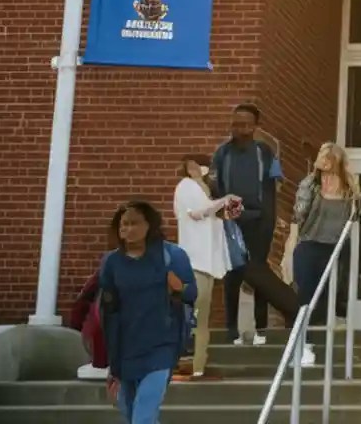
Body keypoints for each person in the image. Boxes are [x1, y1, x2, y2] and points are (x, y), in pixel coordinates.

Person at [99, 201, 198, 424]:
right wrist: (112, 361)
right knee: (131, 413)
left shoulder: (172, 256)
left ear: (149, 225)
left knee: (143, 416)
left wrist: (180, 288)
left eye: (135, 223)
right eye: (124, 224)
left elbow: (192, 293)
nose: (128, 229)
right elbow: (108, 311)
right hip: (126, 349)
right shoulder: (111, 263)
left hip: (161, 346)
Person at [211, 102, 284, 346]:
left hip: (260, 220)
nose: (238, 128)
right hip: (232, 219)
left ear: (254, 127)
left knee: (258, 273)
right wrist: (225, 217)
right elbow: (216, 188)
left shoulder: (264, 153)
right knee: (233, 273)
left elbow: (273, 189)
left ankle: (260, 329)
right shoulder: (223, 153)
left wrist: (269, 220)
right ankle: (231, 330)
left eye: (244, 124)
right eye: (235, 123)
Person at [291, 142, 361, 366]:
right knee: (306, 295)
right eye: (321, 160)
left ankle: (318, 340)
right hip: (309, 244)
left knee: (326, 297)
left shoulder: (350, 189)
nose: (323, 164)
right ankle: (303, 345)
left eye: (328, 160)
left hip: (335, 248)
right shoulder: (310, 185)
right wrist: (290, 247)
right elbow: (297, 217)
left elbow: (357, 216)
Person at [172, 154, 237, 380]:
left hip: (208, 261)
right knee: (195, 313)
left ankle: (198, 365)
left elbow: (211, 215)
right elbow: (198, 213)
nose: (199, 171)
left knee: (202, 317)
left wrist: (227, 207)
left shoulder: (203, 190)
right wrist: (223, 200)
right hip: (195, 260)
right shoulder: (186, 187)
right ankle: (186, 361)